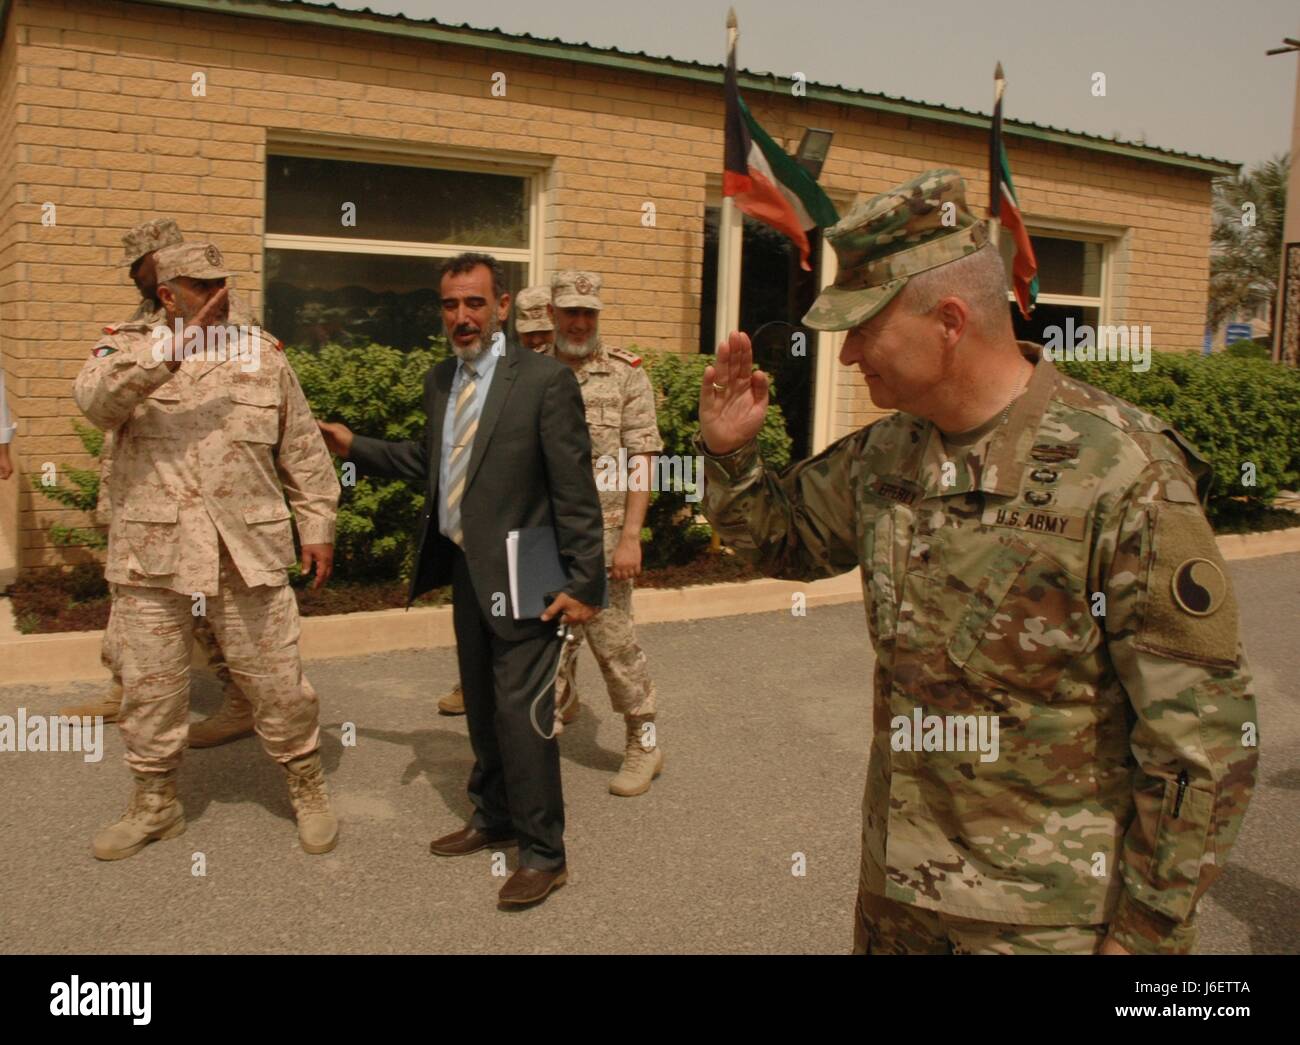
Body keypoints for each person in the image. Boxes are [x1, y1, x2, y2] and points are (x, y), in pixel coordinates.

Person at [696, 168, 1258, 955]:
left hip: (1042, 922)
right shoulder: (891, 450)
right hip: (899, 897)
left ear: (950, 320)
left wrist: (1147, 935)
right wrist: (729, 454)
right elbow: (784, 537)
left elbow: (1202, 742)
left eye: (864, 327)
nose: (849, 352)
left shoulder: (1124, 472)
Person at [317, 252, 605, 908]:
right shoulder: (439, 380)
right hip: (468, 567)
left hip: (528, 563)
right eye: (450, 305)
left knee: (522, 711)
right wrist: (353, 444)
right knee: (480, 700)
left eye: (474, 303)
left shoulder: (542, 381)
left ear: (501, 305)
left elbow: (575, 488)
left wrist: (586, 581)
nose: (462, 316)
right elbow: (431, 461)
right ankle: (494, 813)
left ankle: (543, 852)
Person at [74, 241, 341, 860]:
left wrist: (318, 523)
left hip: (247, 548)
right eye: (202, 286)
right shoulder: (125, 350)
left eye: (223, 282)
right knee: (152, 688)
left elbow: (300, 445)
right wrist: (173, 347)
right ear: (168, 295)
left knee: (278, 684)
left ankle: (307, 786)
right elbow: (94, 403)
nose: (221, 296)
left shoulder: (263, 356)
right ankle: (154, 805)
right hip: (153, 554)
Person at [58, 218, 259, 745]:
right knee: (132, 595)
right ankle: (125, 682)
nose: (137, 277)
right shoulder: (139, 321)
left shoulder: (224, 318)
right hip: (140, 489)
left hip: (198, 492)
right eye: (136, 270)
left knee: (199, 599)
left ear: (164, 262)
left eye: (142, 265)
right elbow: (103, 396)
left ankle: (241, 698)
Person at [544, 270, 665, 795]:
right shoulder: (528, 370)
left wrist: (632, 536)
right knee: (544, 639)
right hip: (542, 538)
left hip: (605, 537)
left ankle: (645, 741)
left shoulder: (625, 374)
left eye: (588, 313)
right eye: (570, 311)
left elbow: (643, 458)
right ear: (551, 314)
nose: (578, 321)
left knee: (615, 647)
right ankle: (542, 724)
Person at [438, 284, 561, 717]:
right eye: (528, 335)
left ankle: (636, 735)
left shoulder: (553, 379)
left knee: (595, 648)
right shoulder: (485, 374)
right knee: (513, 663)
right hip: (506, 540)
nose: (537, 342)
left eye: (544, 332)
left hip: (553, 539)